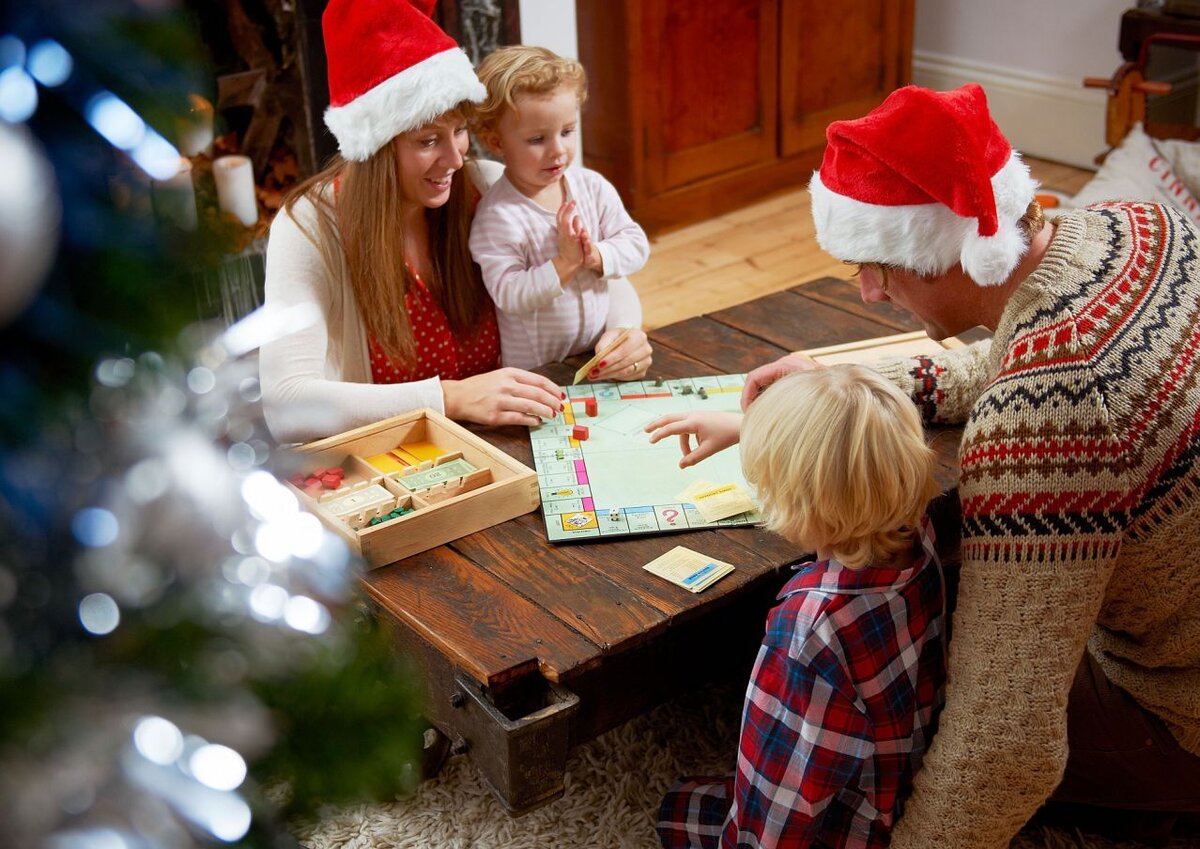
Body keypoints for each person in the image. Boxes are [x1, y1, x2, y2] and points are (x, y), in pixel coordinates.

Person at [740, 83, 1200, 848]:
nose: (866, 289)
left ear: (943, 246)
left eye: (879, 264)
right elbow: (1018, 352)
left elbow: (1008, 749)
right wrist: (842, 387)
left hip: (1181, 713)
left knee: (902, 662)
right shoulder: (1137, 227)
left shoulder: (1043, 411)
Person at [258, 1, 650, 443]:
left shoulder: (485, 187)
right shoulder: (310, 227)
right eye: (428, 141)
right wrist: (451, 398)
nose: (457, 157)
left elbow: (588, 268)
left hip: (519, 433)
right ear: (377, 149)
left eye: (460, 130)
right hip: (400, 455)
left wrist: (623, 330)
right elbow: (285, 404)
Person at [648, 365, 947, 849]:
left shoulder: (807, 629)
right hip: (897, 779)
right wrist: (754, 429)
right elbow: (852, 449)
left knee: (676, 811)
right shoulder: (918, 528)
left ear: (803, 505)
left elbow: (778, 803)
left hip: (849, 829)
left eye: (767, 485)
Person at [468, 45, 651, 374]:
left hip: (597, 352)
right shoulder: (498, 216)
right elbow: (509, 294)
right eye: (537, 139)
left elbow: (635, 243)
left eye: (566, 132)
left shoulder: (591, 187)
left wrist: (596, 255)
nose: (558, 151)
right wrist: (565, 263)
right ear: (496, 142)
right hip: (540, 371)